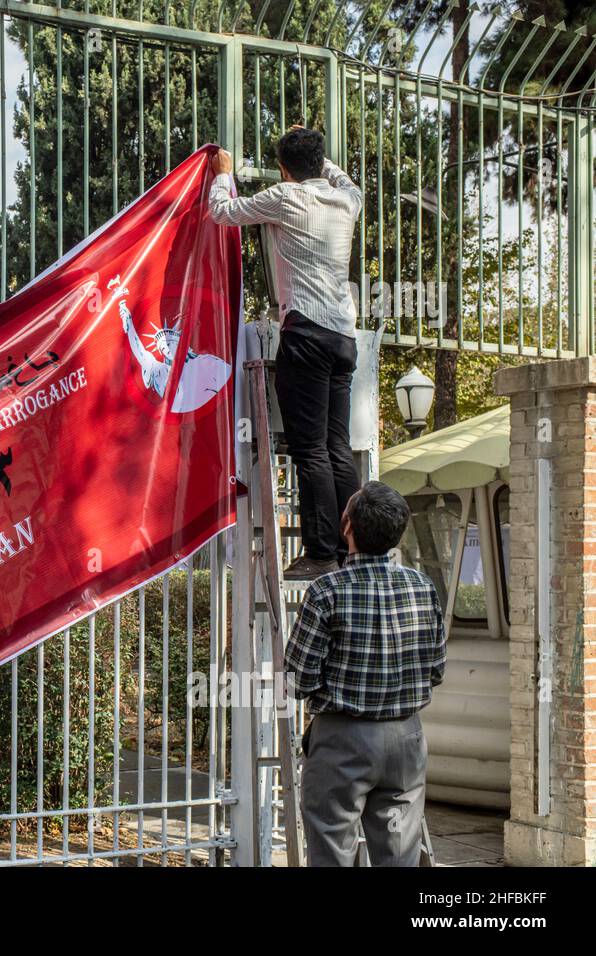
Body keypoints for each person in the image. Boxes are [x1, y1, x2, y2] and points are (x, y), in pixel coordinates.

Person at [208, 127, 363, 580]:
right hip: (343, 339)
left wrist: (224, 173)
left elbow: (222, 212)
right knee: (338, 447)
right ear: (321, 164)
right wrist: (317, 154)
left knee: (310, 449)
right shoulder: (347, 201)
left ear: (282, 169)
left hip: (306, 335)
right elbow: (343, 179)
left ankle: (319, 553)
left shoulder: (285, 198)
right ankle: (351, 549)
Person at [285, 481, 446, 867]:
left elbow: (296, 679)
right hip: (407, 738)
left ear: (346, 527)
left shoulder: (326, 591)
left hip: (343, 738)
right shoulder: (423, 587)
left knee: (332, 849)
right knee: (399, 853)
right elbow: (436, 670)